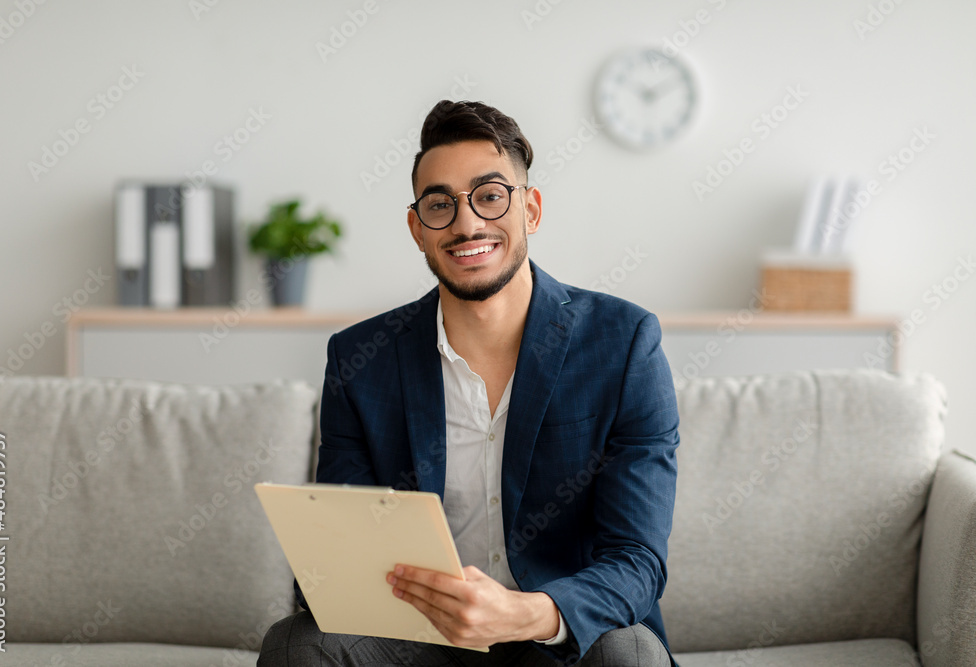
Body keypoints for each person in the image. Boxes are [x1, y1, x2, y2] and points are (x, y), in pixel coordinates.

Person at [258, 100, 680, 667]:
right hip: (418, 637)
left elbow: (636, 559)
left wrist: (526, 613)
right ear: (417, 228)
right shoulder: (361, 359)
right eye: (440, 205)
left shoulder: (624, 341)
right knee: (295, 644)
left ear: (529, 208)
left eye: (489, 196)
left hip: (560, 633)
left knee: (629, 652)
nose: (467, 224)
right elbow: (336, 563)